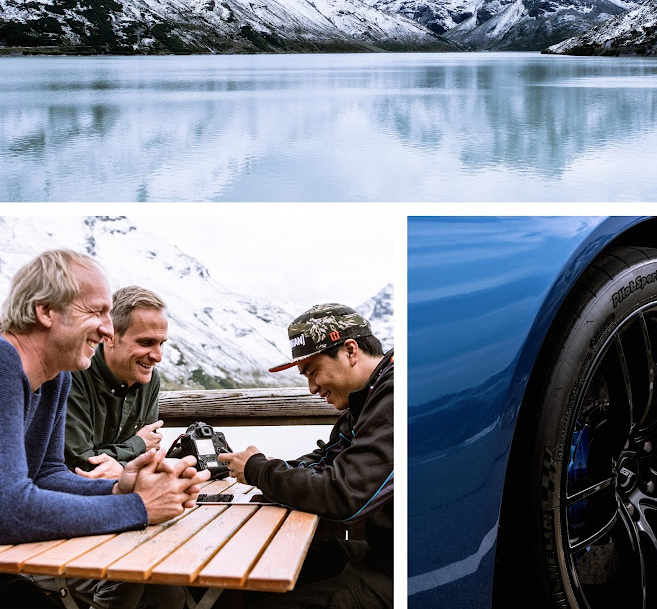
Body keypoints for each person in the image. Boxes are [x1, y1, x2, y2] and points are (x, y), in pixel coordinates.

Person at [0, 249, 208, 607]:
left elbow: (48, 475)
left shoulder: (57, 377)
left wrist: (119, 489)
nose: (108, 329)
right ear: (45, 310)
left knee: (162, 587)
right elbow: (9, 509)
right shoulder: (3, 365)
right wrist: (139, 507)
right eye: (96, 311)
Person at [219, 303, 394, 609]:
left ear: (351, 351)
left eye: (313, 371)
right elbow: (327, 460)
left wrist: (260, 471)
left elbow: (344, 495)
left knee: (270, 600)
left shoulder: (394, 398)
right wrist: (264, 467)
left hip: (403, 573)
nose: (312, 388)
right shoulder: (366, 400)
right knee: (262, 564)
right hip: (381, 555)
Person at [65, 285, 168, 479]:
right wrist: (137, 444)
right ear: (110, 337)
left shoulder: (150, 377)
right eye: (146, 342)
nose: (158, 356)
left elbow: (149, 455)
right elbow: (80, 464)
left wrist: (121, 467)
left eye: (161, 344)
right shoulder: (74, 372)